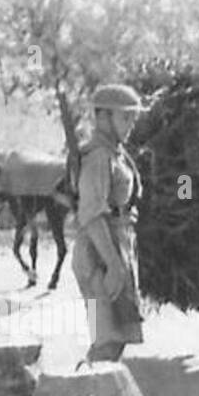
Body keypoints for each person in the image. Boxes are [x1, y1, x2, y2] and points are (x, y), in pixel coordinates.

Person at [73, 83, 145, 365]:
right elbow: (92, 215)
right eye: (125, 117)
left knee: (117, 338)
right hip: (98, 255)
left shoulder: (115, 153)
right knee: (106, 342)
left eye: (133, 118)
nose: (131, 125)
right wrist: (113, 265)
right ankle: (83, 390)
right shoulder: (98, 158)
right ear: (103, 117)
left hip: (115, 246)